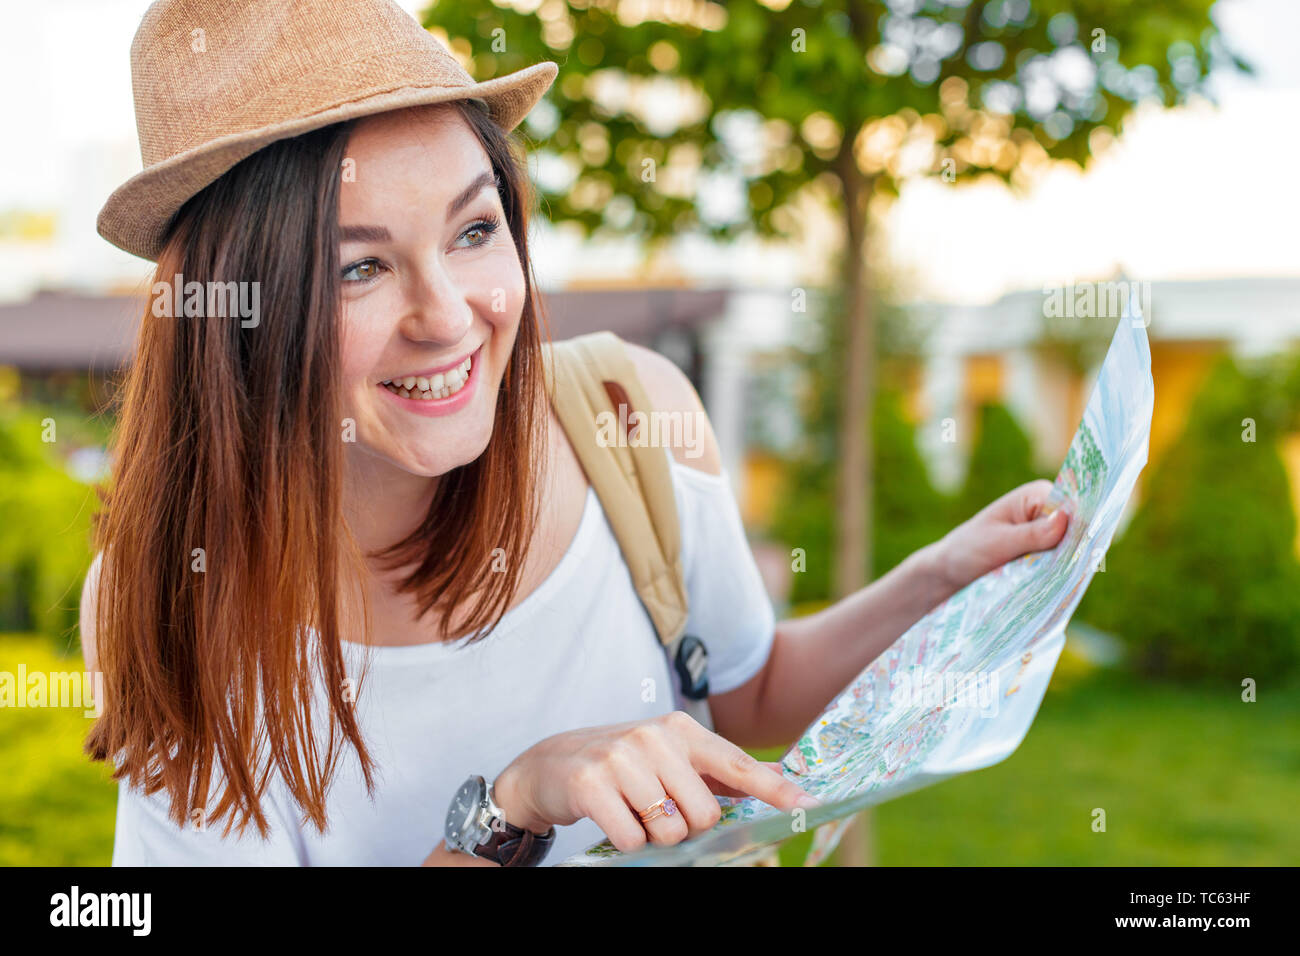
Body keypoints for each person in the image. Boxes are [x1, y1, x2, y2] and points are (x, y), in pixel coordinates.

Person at [82, 0, 1068, 866]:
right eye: (358, 269)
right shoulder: (171, 594)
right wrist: (513, 807)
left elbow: (749, 687)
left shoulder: (630, 414)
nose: (450, 314)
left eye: (474, 231)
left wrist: (940, 577)